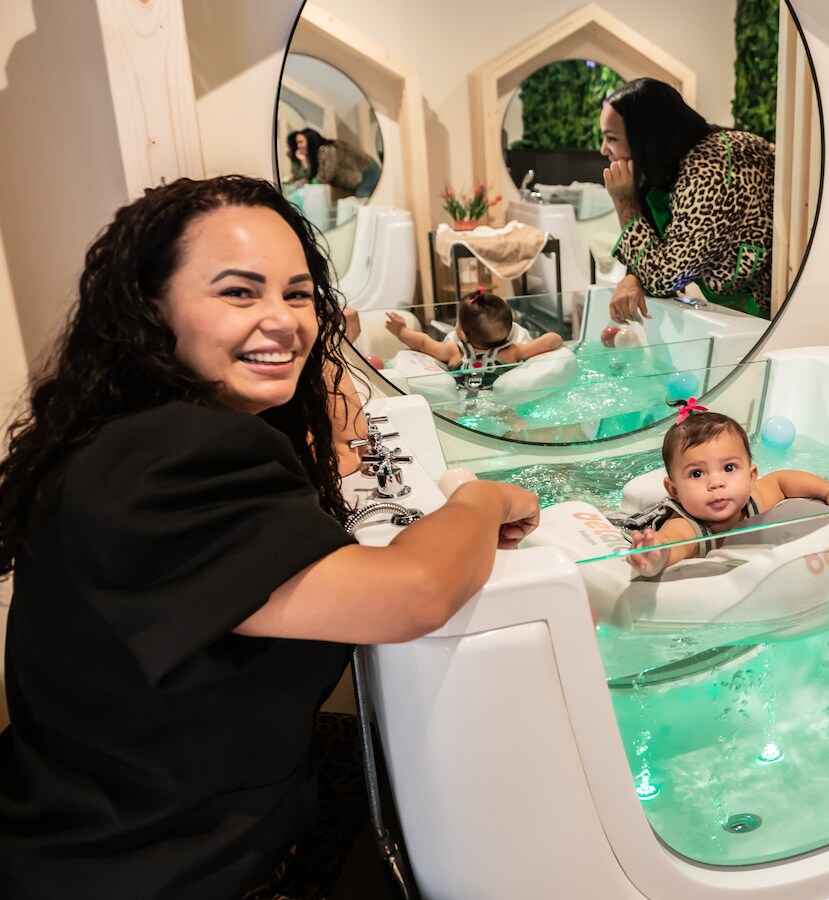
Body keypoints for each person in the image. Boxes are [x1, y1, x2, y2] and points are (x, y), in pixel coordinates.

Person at [0, 175, 540, 898]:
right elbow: (415, 593)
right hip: (160, 864)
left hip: (123, 810)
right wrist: (482, 498)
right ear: (150, 306)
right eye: (239, 293)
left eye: (297, 294)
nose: (283, 320)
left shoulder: (136, 435)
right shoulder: (167, 458)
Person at [600, 78, 775, 323]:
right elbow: (659, 249)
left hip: (777, 315)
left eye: (611, 138)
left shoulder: (711, 169)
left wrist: (624, 202)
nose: (603, 150)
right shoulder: (674, 164)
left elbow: (665, 278)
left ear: (645, 138)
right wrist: (633, 277)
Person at [623, 400, 829, 575]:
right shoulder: (687, 527)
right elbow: (672, 542)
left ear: (752, 477)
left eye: (729, 468)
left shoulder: (752, 502)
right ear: (674, 491)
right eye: (697, 473)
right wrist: (655, 555)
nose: (716, 483)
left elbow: (781, 480)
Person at [382, 289, 564, 392]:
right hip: (497, 401)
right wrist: (557, 337)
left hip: (462, 400)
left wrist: (401, 331)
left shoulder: (455, 351)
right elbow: (551, 340)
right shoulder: (512, 352)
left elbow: (422, 343)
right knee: (510, 419)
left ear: (463, 334)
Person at [286, 128, 382, 199]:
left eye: (301, 142)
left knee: (362, 198)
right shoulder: (314, 154)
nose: (298, 146)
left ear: (310, 140)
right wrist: (303, 161)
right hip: (358, 176)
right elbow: (306, 176)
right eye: (297, 143)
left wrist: (308, 181)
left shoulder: (327, 149)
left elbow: (324, 177)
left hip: (367, 171)